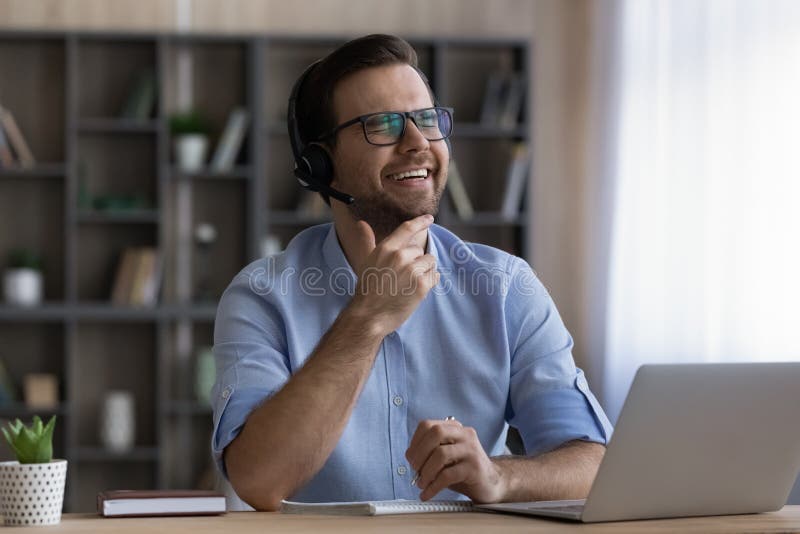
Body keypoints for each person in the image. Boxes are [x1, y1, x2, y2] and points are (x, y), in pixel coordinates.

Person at [211, 34, 612, 512]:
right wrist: (365, 320)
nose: (418, 143)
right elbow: (258, 481)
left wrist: (499, 477)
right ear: (321, 166)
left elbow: (594, 463)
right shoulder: (262, 295)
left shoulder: (506, 287)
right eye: (382, 125)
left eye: (427, 120)